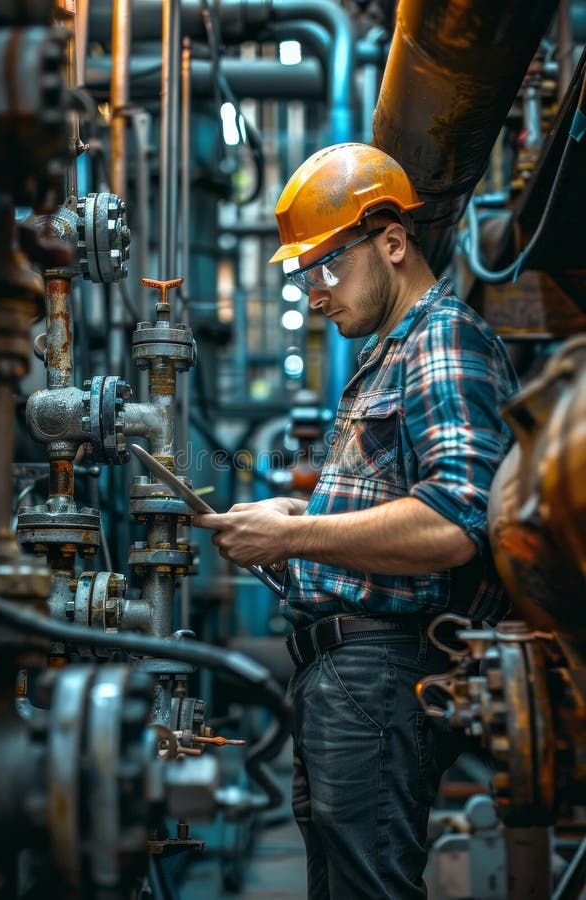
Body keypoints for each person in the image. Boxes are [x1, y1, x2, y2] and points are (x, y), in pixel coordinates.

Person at [192, 143, 520, 899]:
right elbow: (390, 511)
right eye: (305, 275)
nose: (313, 294)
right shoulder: (390, 353)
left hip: (377, 675)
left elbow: (453, 523)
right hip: (343, 677)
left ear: (394, 242)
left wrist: (296, 535)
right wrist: (298, 515)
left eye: (325, 269)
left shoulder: (441, 338)